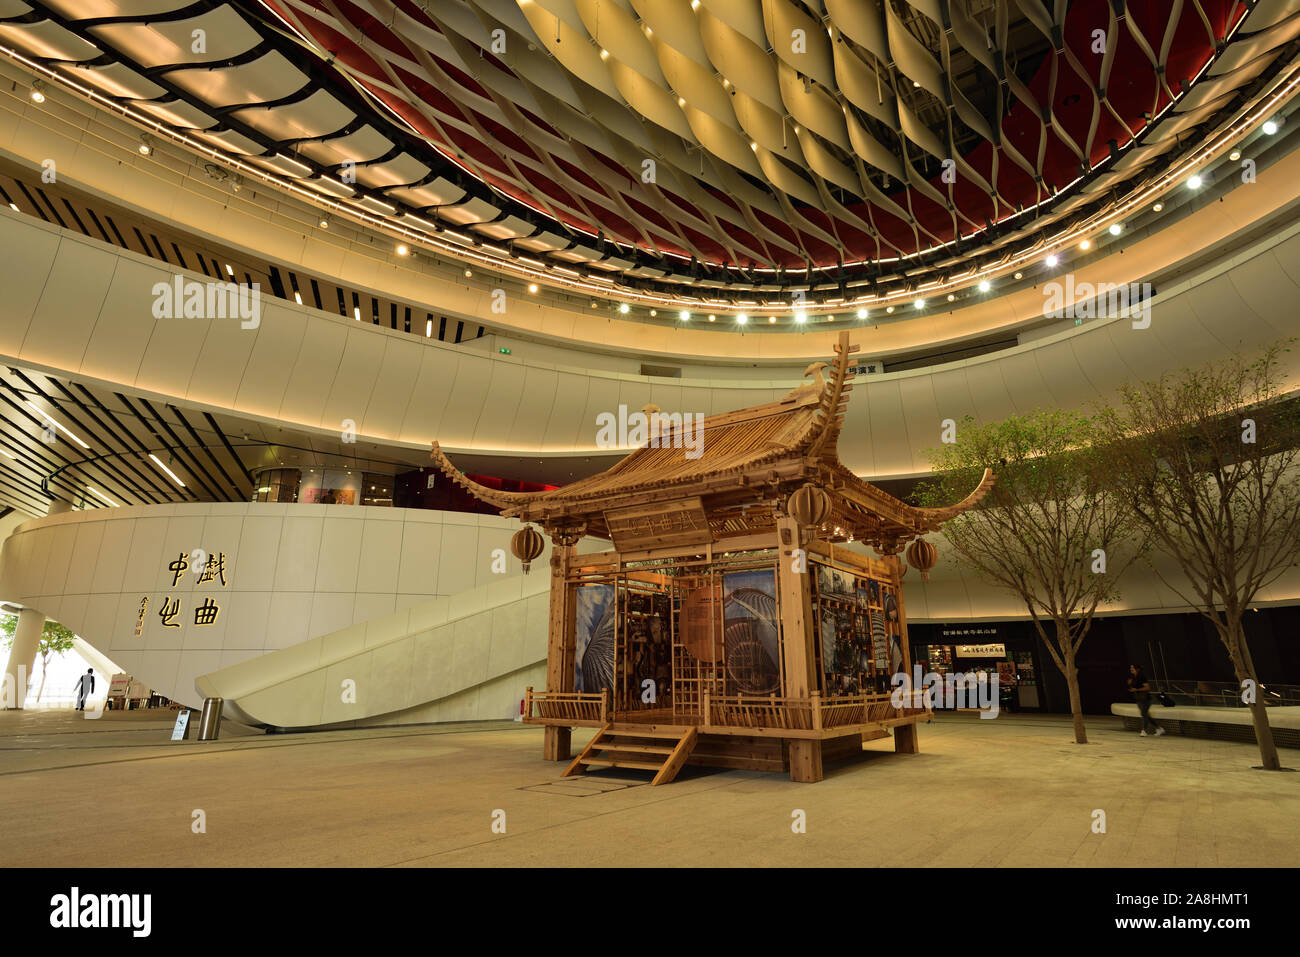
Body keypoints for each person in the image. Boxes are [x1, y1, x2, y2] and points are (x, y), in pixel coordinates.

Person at [1127, 664, 1164, 736]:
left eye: (1132, 668)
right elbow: (1132, 687)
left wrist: (1136, 689)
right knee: (1145, 715)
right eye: (1130, 668)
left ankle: (1144, 731)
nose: (1131, 669)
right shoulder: (1133, 677)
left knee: (1144, 714)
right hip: (1138, 699)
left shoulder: (1142, 676)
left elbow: (1147, 688)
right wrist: (1130, 685)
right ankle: (1159, 728)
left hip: (1146, 699)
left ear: (1137, 669)